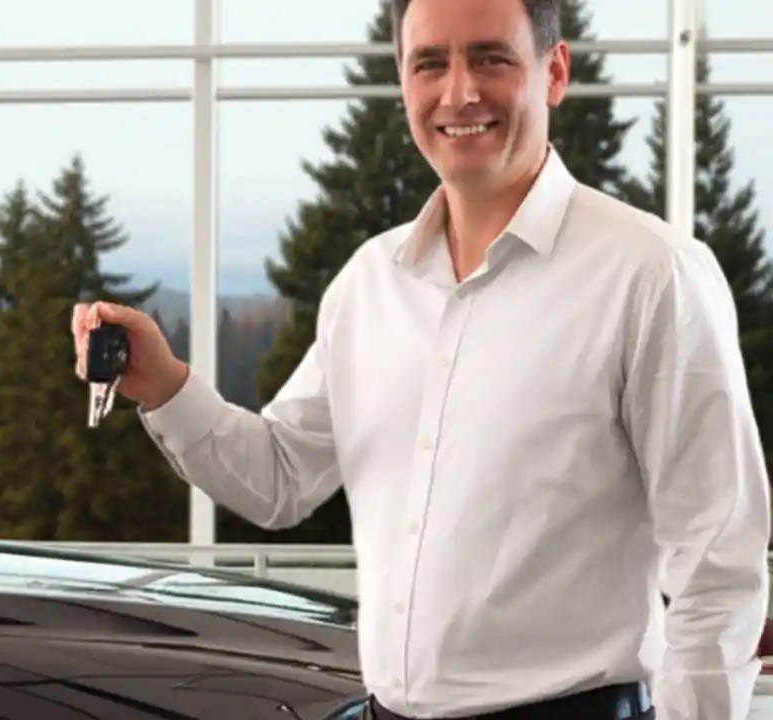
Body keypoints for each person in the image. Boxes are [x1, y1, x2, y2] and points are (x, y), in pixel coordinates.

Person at [71, 0, 771, 718]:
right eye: (429, 63)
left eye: (491, 58)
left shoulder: (652, 274)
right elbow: (280, 478)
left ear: (553, 71)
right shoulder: (369, 284)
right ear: (403, 81)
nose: (458, 92)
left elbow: (717, 566)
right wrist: (164, 386)